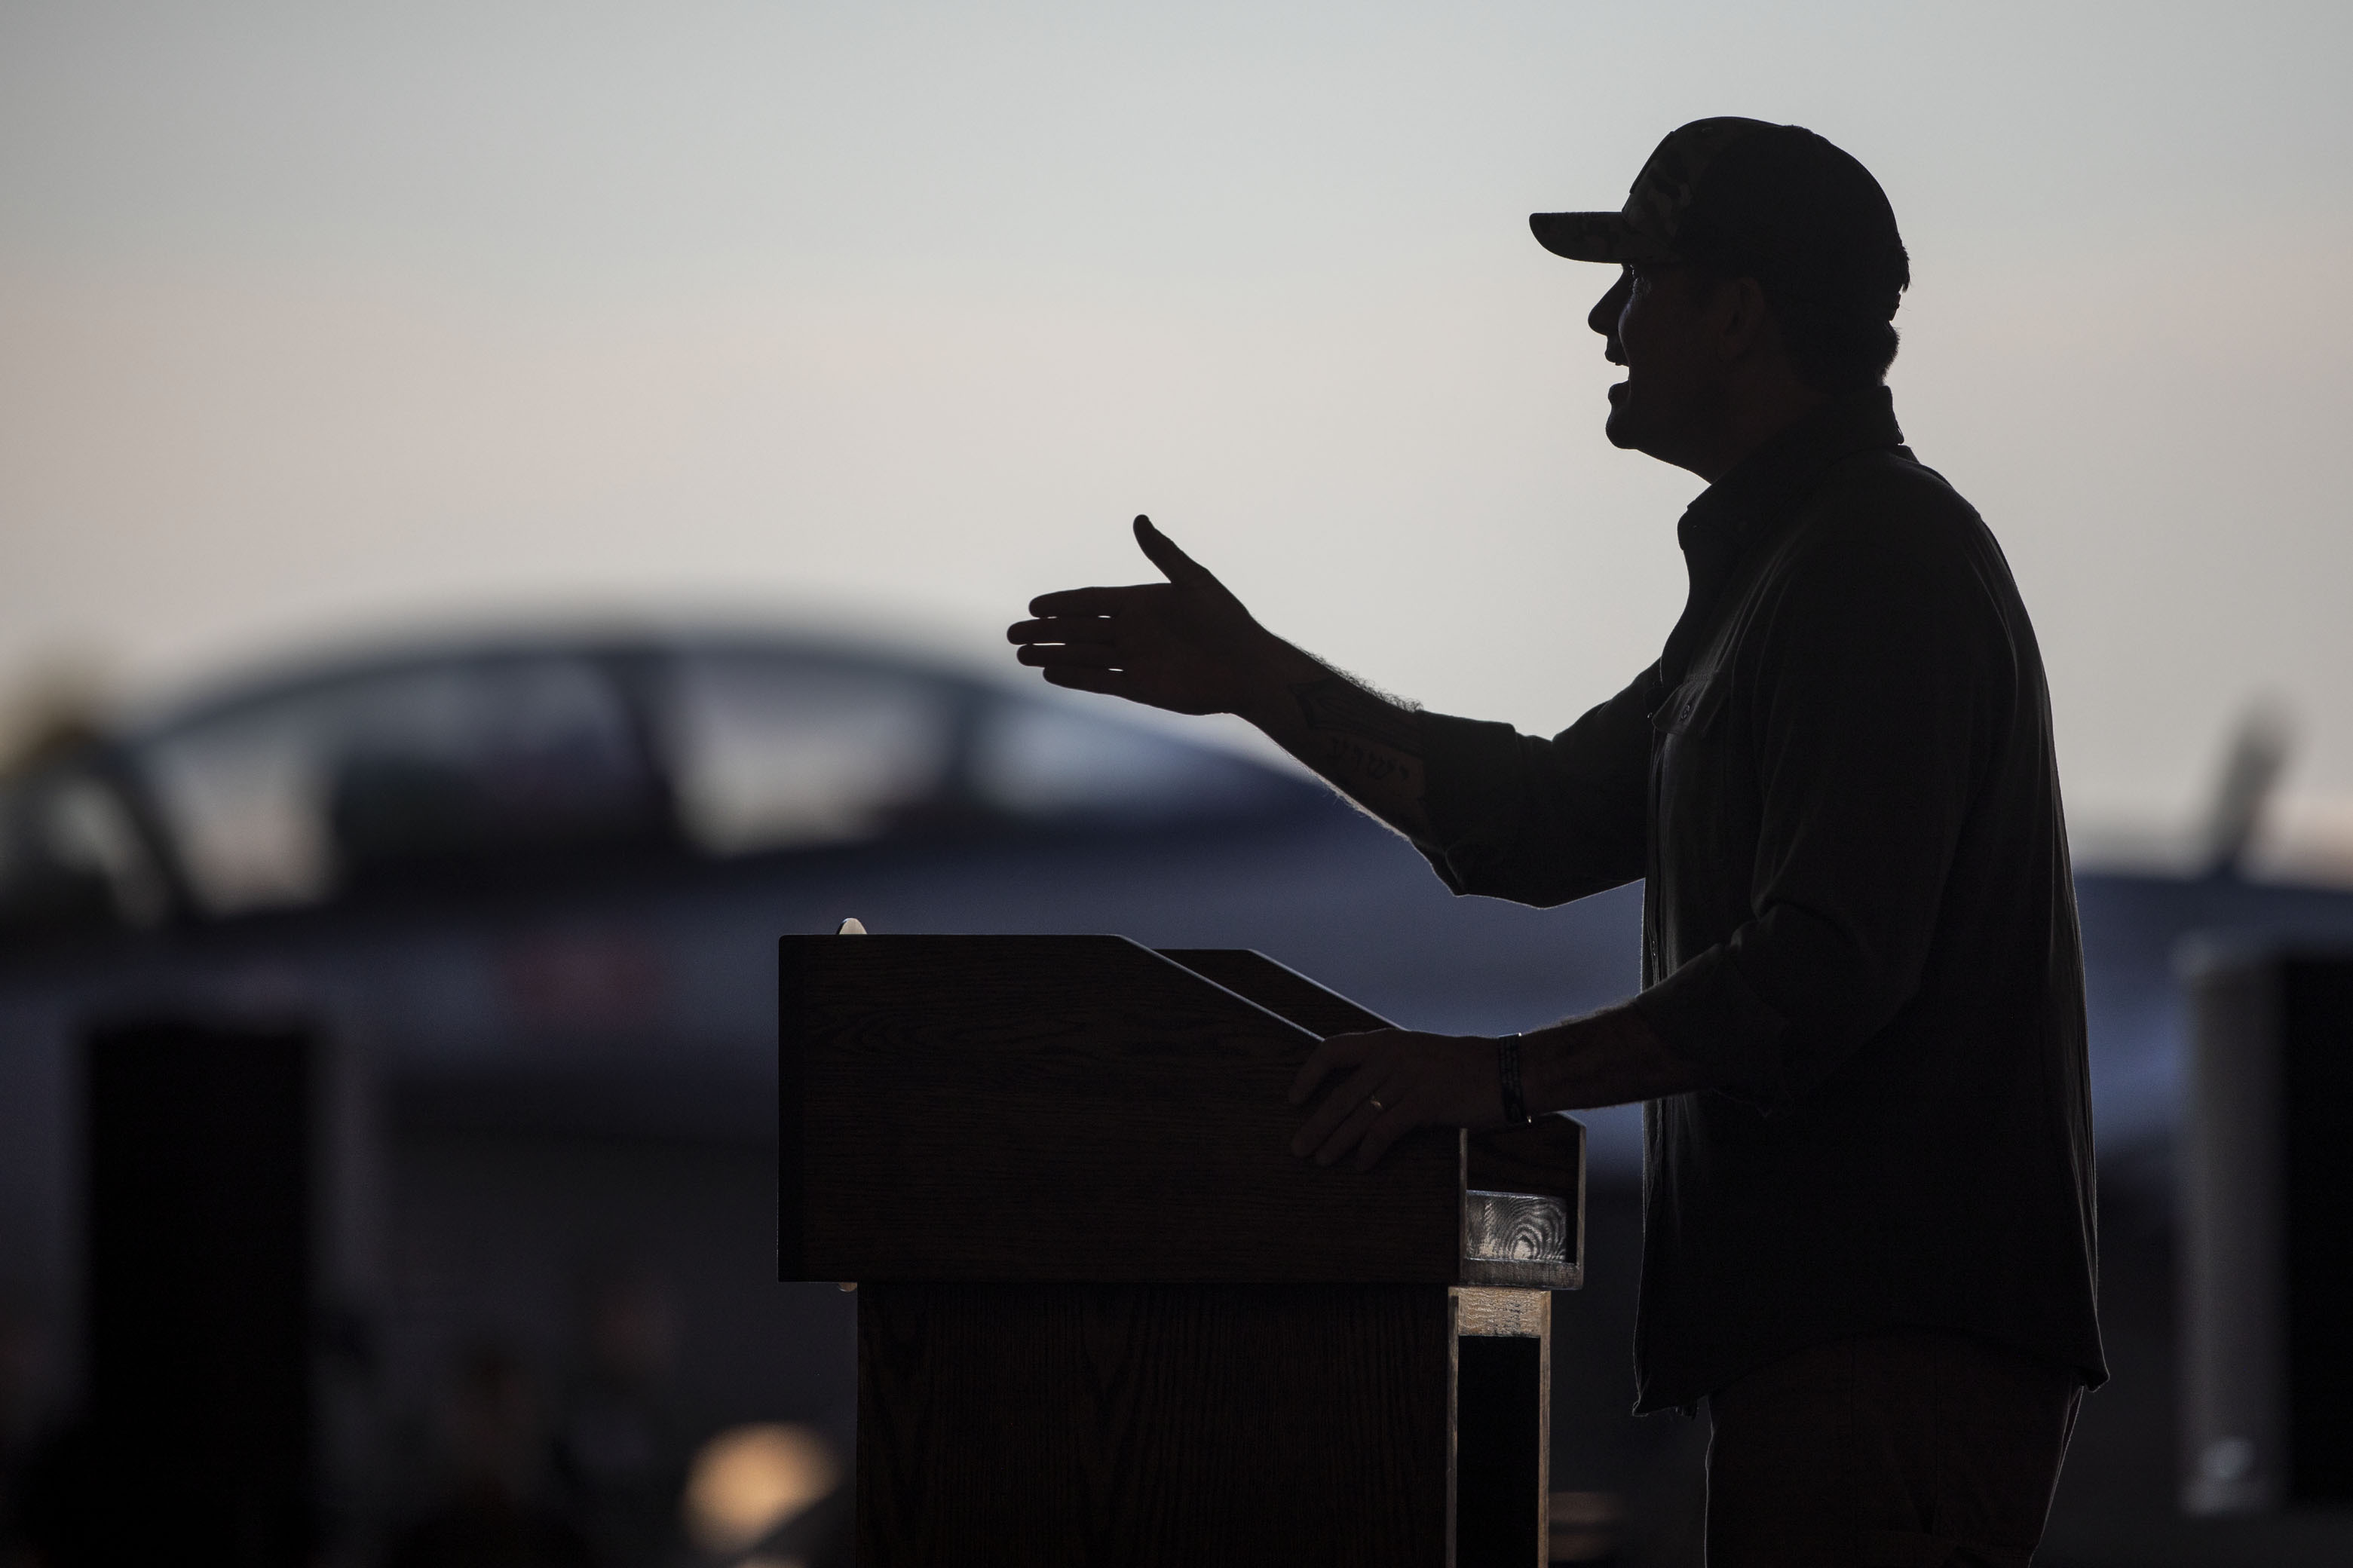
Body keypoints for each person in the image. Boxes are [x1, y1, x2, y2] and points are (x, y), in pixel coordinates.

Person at [1007, 118, 2103, 1566]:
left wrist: (1500, 1077)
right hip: (1835, 1334)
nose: (1602, 322)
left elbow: (1824, 968)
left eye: (1635, 280)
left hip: (1889, 1338)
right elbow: (1530, 826)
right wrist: (1257, 677)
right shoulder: (1790, 571)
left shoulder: (1873, 565)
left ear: (1735, 313)